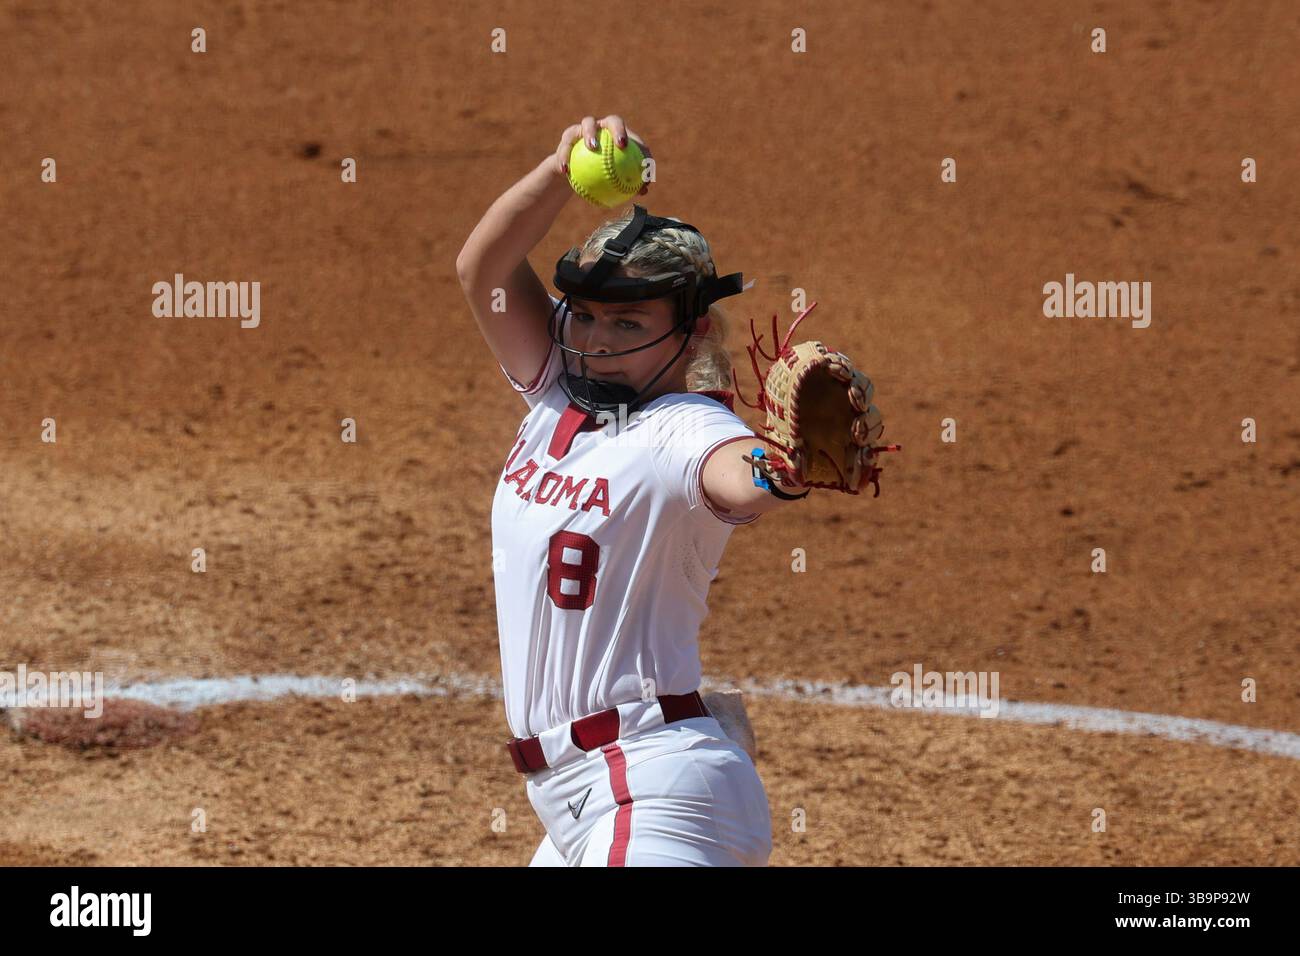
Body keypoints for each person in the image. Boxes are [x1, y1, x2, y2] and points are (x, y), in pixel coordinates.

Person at [456, 115, 812, 866]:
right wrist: (558, 171)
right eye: (583, 315)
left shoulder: (681, 426)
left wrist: (780, 470)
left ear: (690, 333)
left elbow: (736, 473)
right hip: (574, 803)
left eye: (627, 321)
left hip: (658, 792)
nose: (596, 339)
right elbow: (483, 270)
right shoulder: (556, 386)